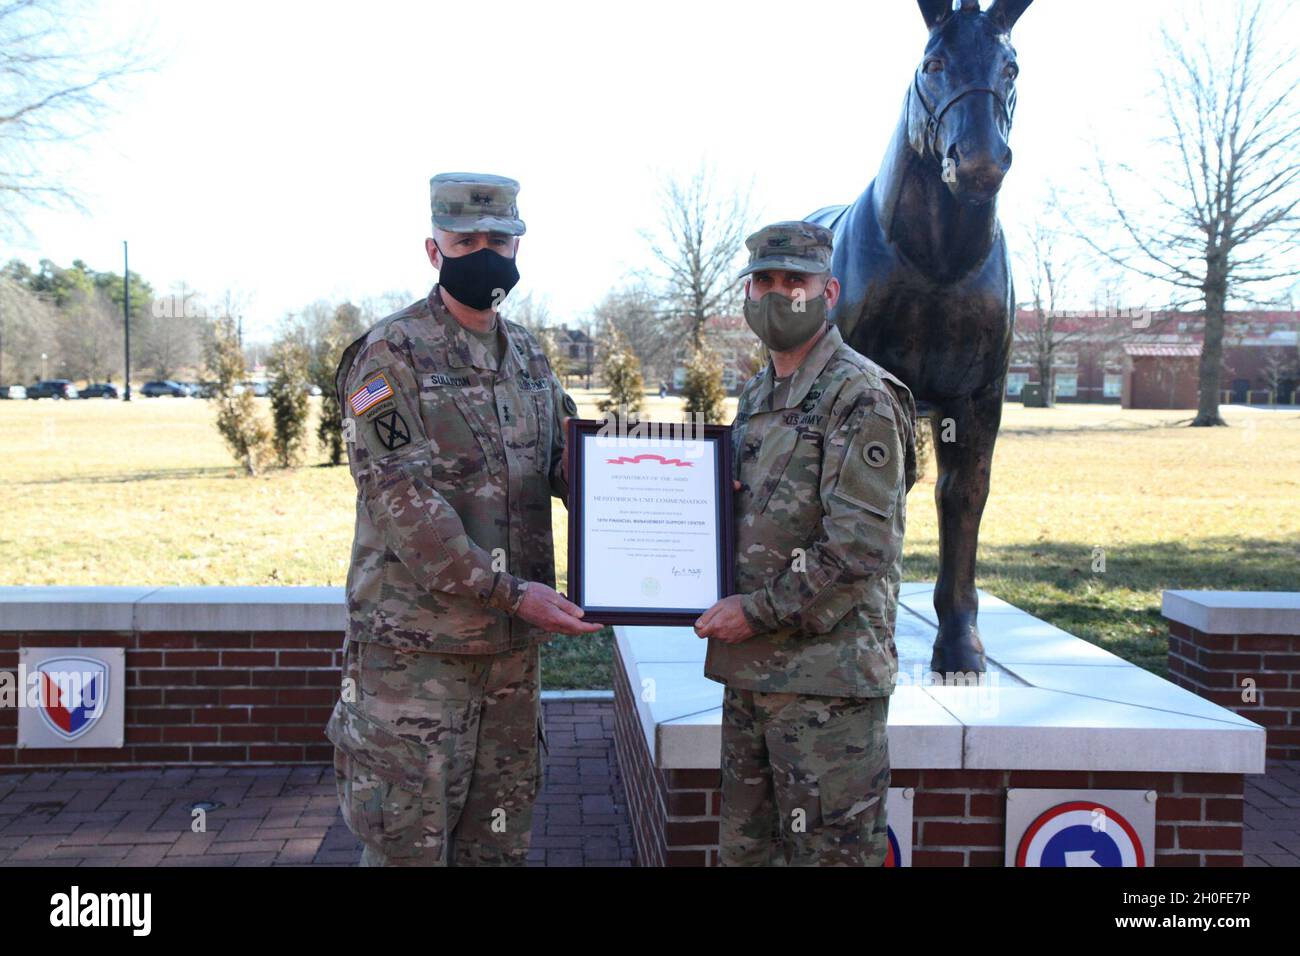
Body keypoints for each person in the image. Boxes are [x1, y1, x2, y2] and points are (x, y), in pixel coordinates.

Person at [325, 171, 601, 867]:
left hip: (510, 660)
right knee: (408, 853)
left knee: (498, 849)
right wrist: (512, 592)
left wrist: (690, 492)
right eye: (465, 240)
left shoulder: (530, 357)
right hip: (419, 663)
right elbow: (402, 501)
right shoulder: (387, 357)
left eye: (499, 241)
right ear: (433, 249)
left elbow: (571, 465)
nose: (485, 253)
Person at [694, 220, 917, 866]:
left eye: (796, 280)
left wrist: (754, 611)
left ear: (830, 291)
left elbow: (857, 548)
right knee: (746, 856)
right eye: (763, 280)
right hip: (751, 680)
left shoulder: (860, 393)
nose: (777, 293)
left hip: (827, 692)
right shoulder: (759, 393)